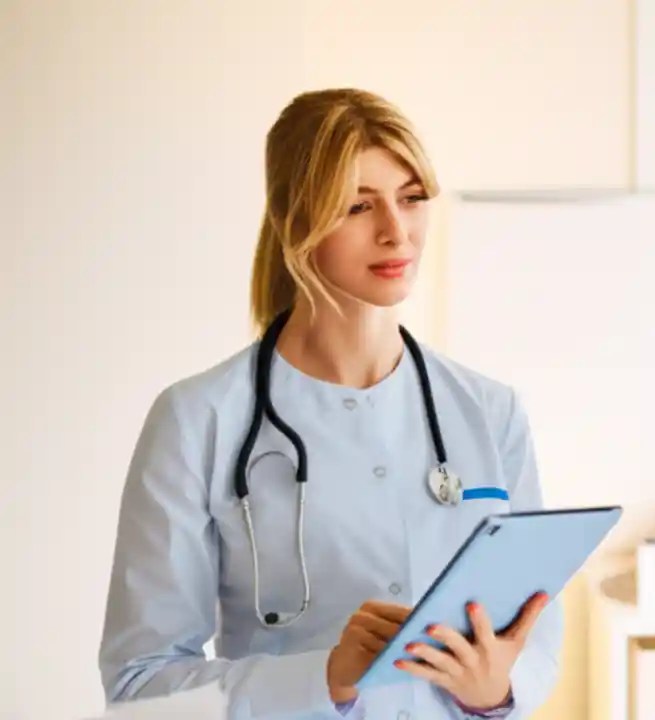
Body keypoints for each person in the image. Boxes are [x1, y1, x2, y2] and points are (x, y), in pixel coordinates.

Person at [98, 88, 563, 719]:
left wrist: (496, 693)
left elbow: (534, 639)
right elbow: (139, 687)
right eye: (358, 206)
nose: (396, 232)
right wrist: (324, 678)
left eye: (412, 198)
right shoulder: (198, 420)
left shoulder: (490, 411)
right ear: (295, 220)